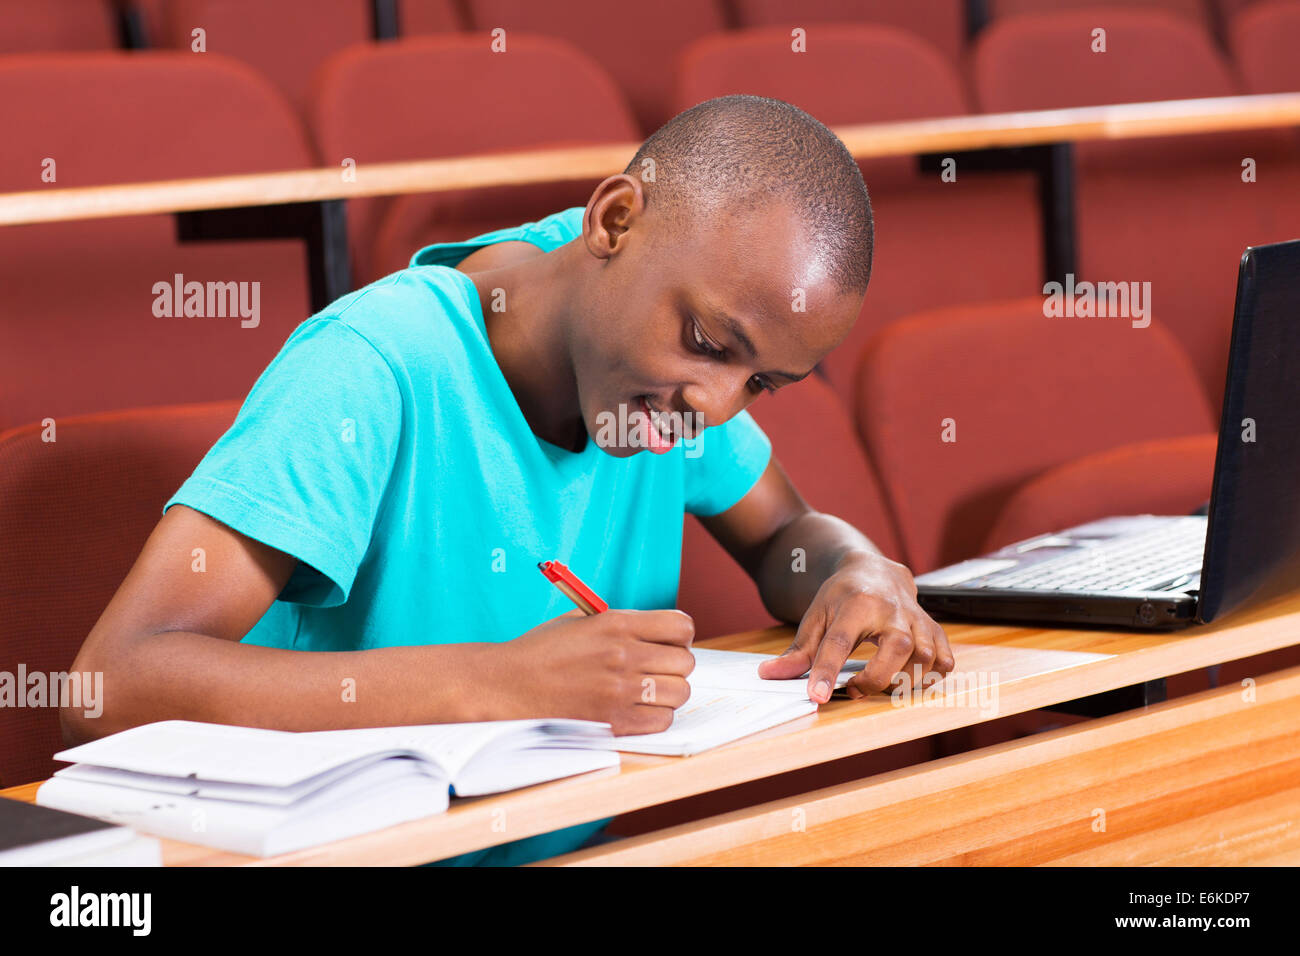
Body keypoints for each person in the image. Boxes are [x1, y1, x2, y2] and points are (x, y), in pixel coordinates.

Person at [64, 94, 954, 864]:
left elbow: (781, 538)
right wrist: (502, 683)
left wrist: (853, 568)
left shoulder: (663, 376)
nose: (718, 407)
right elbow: (109, 685)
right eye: (712, 348)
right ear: (613, 222)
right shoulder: (372, 367)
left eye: (761, 383)